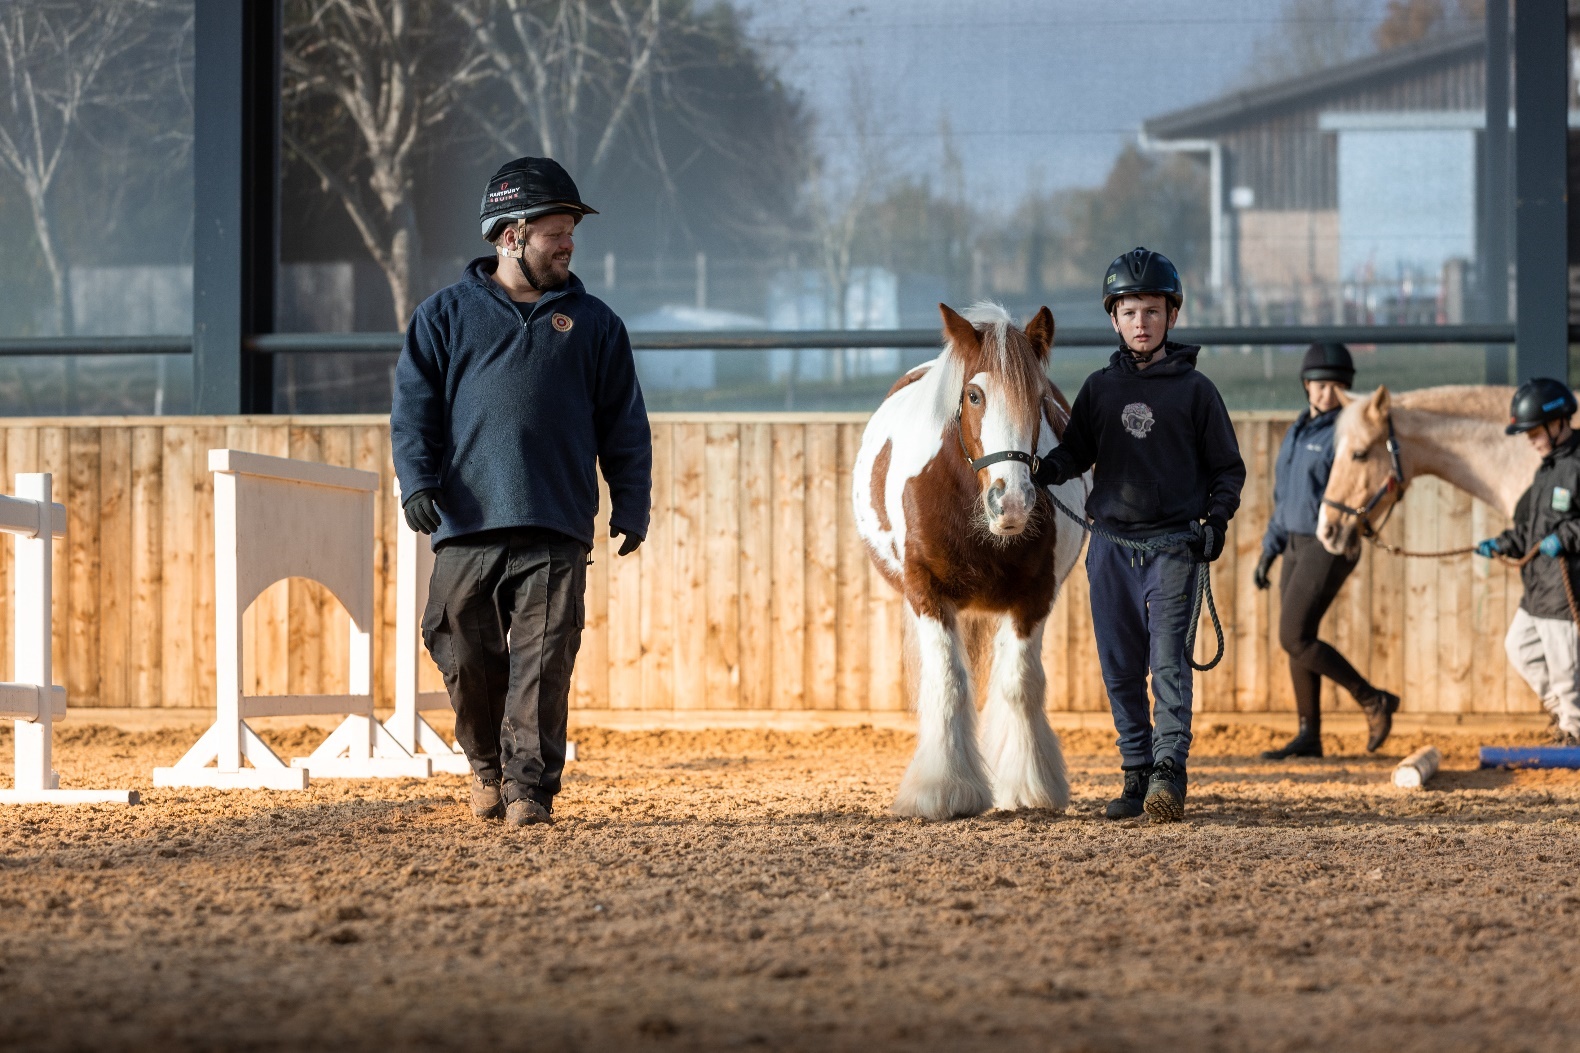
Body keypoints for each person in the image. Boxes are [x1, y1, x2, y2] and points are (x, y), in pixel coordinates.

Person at [392, 156, 652, 827]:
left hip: (556, 522)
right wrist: (417, 480)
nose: (568, 245)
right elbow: (413, 411)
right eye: (555, 233)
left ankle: (529, 790)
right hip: (466, 523)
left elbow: (624, 424)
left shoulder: (596, 325)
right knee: (459, 646)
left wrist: (632, 501)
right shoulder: (443, 316)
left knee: (542, 663)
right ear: (511, 236)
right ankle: (486, 767)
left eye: (571, 233)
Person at [1034, 247, 1246, 822]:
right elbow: (1078, 451)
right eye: (1129, 312)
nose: (1141, 323)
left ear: (1172, 315)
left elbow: (1227, 469)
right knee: (1120, 665)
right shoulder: (1099, 389)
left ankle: (1168, 772)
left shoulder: (1197, 391)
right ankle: (1135, 770)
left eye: (1152, 311)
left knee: (1169, 664)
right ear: (1114, 319)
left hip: (1173, 547)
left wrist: (1216, 522)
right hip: (1110, 548)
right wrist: (1048, 469)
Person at [1254, 345, 1401, 759]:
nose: (1327, 393)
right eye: (1319, 385)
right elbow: (1285, 497)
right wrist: (1270, 549)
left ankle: (1372, 699)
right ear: (1306, 386)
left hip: (1328, 542)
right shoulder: (1298, 430)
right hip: (1294, 541)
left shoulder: (1344, 434)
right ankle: (1309, 735)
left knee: (1293, 635)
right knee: (1298, 639)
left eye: (1336, 386)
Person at [1476, 377, 1580, 746]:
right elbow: (1534, 530)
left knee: (1566, 672)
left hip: (1566, 591)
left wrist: (1566, 537)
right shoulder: (1546, 469)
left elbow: (1566, 529)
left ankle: (1574, 731)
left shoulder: (1578, 464)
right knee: (1519, 648)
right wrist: (1504, 543)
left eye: (1534, 432)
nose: (1530, 440)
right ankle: (1565, 716)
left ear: (1558, 422)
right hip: (1538, 589)